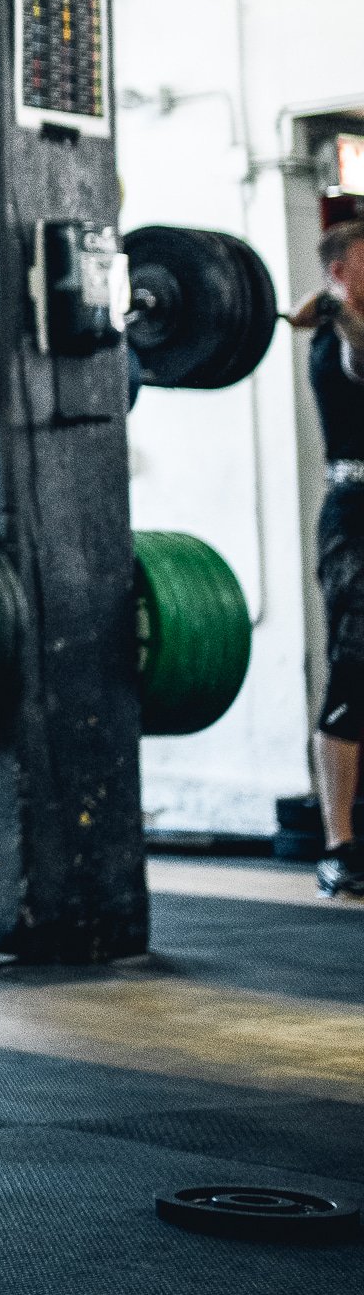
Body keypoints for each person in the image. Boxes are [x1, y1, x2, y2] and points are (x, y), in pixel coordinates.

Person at [289, 202, 364, 901]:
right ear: (340, 271)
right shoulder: (339, 334)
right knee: (354, 665)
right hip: (355, 516)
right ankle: (339, 845)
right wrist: (333, 309)